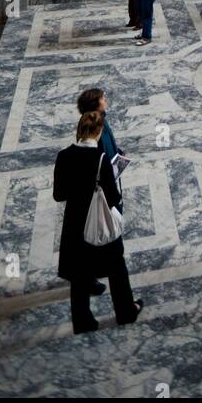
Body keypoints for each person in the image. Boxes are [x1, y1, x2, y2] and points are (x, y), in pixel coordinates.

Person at [53, 109, 142, 335]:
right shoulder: (101, 159)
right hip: (99, 221)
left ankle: (83, 322)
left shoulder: (63, 156)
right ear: (98, 131)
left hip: (74, 224)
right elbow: (113, 197)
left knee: (79, 274)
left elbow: (59, 195)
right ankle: (125, 312)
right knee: (116, 268)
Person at [76, 87, 128, 207]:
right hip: (105, 177)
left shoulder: (101, 119)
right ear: (95, 103)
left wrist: (118, 152)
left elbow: (109, 142)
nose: (106, 100)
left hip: (112, 168)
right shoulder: (92, 125)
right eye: (103, 98)